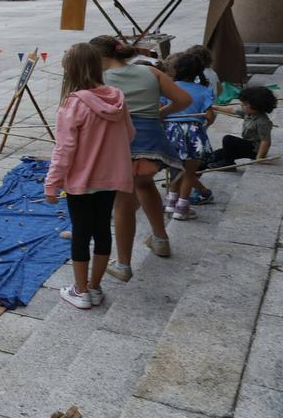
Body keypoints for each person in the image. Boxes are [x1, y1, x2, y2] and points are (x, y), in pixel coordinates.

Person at [90, 36, 190, 281]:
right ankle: (160, 239)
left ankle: (124, 264)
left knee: (123, 203)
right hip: (153, 141)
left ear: (100, 58)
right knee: (146, 186)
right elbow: (184, 100)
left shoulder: (98, 80)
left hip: (122, 143)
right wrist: (161, 113)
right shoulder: (151, 72)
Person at [44, 43, 135, 310]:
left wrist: (51, 184)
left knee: (81, 233)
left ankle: (80, 290)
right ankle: (95, 287)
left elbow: (64, 149)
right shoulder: (117, 97)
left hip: (82, 182)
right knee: (103, 230)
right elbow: (129, 134)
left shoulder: (72, 104)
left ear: (71, 71)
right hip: (112, 177)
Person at [161, 52, 215, 219]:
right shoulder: (205, 91)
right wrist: (202, 124)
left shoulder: (167, 87)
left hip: (170, 131)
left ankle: (171, 202)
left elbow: (159, 110)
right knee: (190, 172)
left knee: (174, 168)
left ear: (176, 69)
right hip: (194, 132)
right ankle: (182, 207)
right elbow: (210, 117)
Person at [210, 86, 276, 168]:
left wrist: (259, 157)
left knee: (228, 139)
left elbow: (265, 141)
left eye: (245, 104)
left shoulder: (262, 122)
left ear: (256, 106)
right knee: (216, 155)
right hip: (247, 144)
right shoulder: (249, 113)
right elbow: (232, 110)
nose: (242, 105)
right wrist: (216, 107)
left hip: (254, 149)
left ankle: (229, 163)